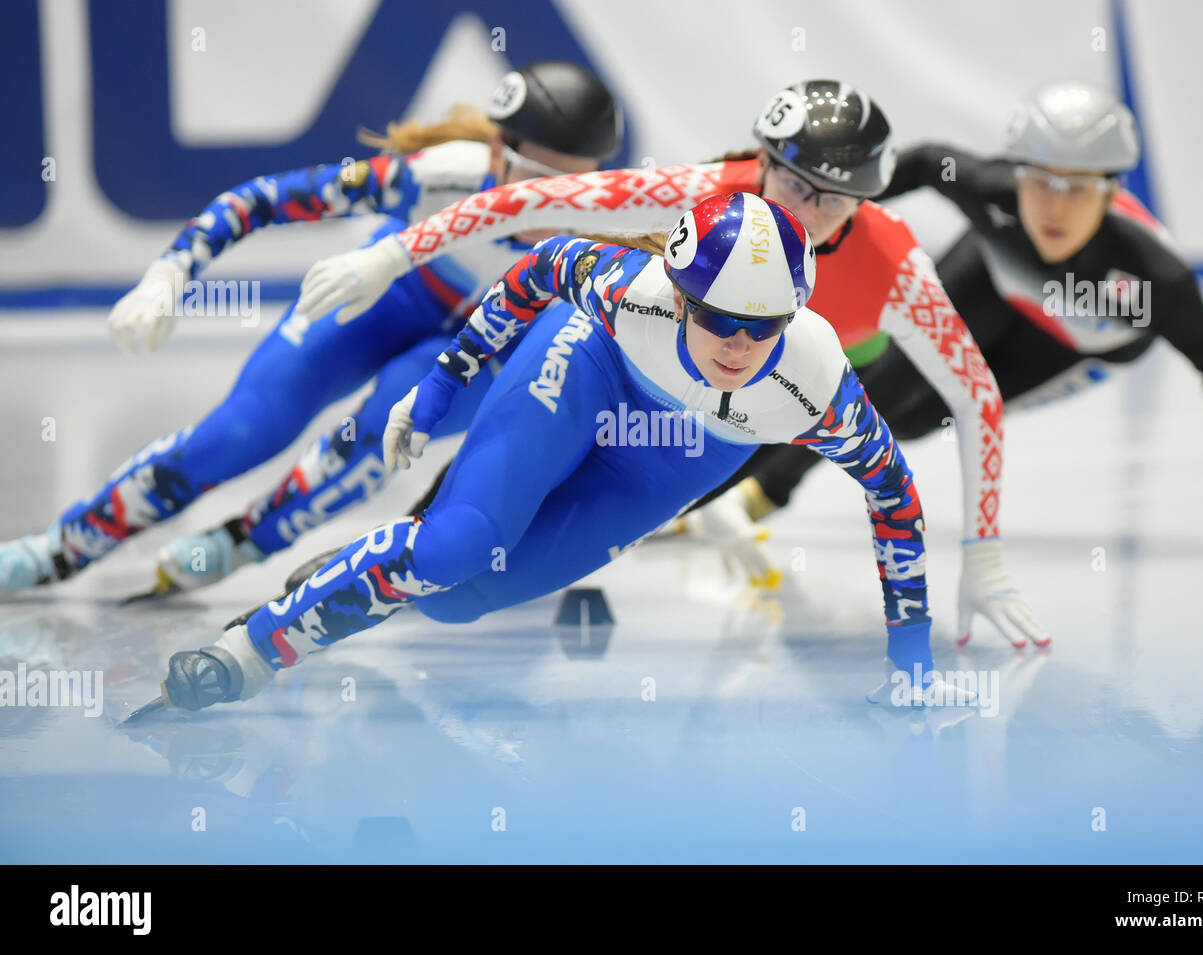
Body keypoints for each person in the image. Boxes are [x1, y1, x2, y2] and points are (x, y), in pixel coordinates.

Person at [289, 80, 1048, 648]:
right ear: (762, 161)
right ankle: (402, 548)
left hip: (718, 417)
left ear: (869, 198)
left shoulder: (897, 268)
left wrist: (983, 555)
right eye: (792, 184)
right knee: (484, 506)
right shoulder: (701, 194)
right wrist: (393, 253)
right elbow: (531, 201)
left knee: (511, 561)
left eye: (835, 199)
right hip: (612, 357)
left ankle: (427, 561)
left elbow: (975, 394)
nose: (807, 213)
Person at [137, 194, 955, 717]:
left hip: (677, 458)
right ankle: (250, 648)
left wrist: (910, 654)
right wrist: (441, 386)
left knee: (456, 600)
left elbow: (895, 498)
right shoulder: (624, 289)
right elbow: (532, 273)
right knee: (455, 545)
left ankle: (363, 566)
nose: (740, 345)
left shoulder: (817, 381)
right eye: (715, 317)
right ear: (677, 295)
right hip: (588, 369)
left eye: (764, 324)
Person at [0, 61, 623, 594]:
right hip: (394, 298)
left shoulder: (613, 219)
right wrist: (171, 270)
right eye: (536, 181)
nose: (552, 203)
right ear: (493, 154)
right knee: (241, 430)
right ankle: (58, 547)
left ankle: (243, 543)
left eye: (576, 187)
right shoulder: (440, 174)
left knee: (380, 429)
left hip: (485, 340)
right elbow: (266, 198)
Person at [854, 80, 1203, 561]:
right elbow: (924, 163)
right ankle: (764, 489)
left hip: (1084, 338)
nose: (1056, 208)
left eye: (1079, 189)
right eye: (1041, 183)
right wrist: (834, 206)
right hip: (995, 274)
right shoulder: (994, 193)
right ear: (1018, 176)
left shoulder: (1154, 279)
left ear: (1110, 196)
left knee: (914, 422)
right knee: (882, 391)